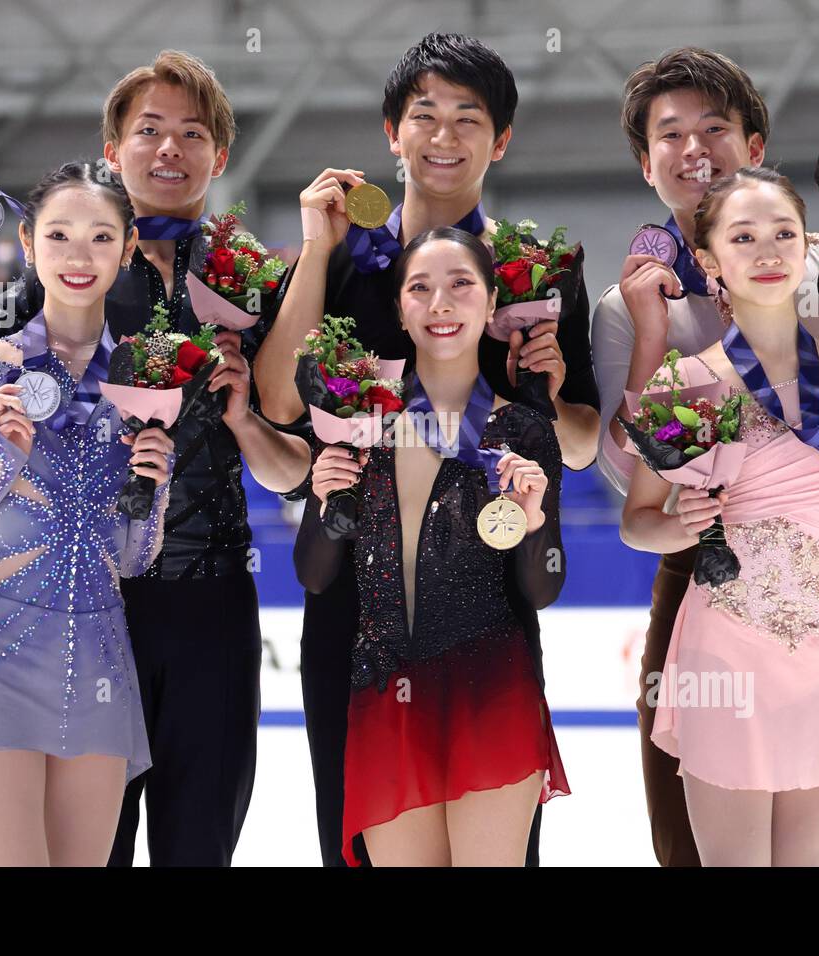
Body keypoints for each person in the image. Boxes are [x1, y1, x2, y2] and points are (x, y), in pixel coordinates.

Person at [0, 51, 311, 866]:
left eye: (192, 134)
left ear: (219, 158)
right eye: (147, 130)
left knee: (201, 845)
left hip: (211, 599)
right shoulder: (72, 267)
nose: (169, 149)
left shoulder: (250, 282)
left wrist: (246, 408)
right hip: (92, 607)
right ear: (115, 149)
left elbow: (292, 457)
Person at [253, 31, 599, 867]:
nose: (444, 137)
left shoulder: (538, 274)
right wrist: (318, 248)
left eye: (468, 118)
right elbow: (276, 398)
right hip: (352, 611)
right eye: (425, 116)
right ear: (390, 132)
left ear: (501, 139)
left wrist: (545, 399)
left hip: (489, 610)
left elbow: (584, 446)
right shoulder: (337, 262)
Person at [590, 47, 819, 867]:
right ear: (646, 163)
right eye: (670, 134)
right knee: (695, 842)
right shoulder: (627, 304)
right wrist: (649, 340)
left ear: (755, 142)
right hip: (704, 576)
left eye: (715, 127)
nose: (694, 148)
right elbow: (630, 470)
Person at [0, 162, 173, 865]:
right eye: (59, 235)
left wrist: (156, 484)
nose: (77, 255)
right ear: (28, 243)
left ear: (127, 249)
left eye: (98, 238)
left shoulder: (145, 380)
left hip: (99, 652)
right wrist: (2, 469)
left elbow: (129, 558)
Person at [295, 228, 569, 866]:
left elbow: (544, 587)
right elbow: (313, 575)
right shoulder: (359, 423)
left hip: (490, 691)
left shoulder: (523, 428)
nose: (441, 303)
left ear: (492, 299)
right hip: (385, 692)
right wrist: (323, 499)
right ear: (399, 309)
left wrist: (532, 525)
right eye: (420, 288)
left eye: (460, 285)